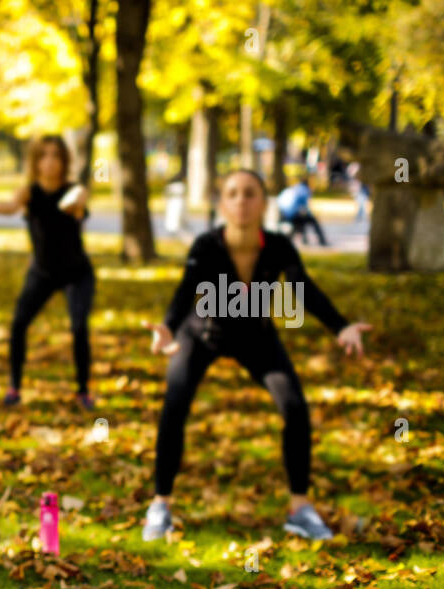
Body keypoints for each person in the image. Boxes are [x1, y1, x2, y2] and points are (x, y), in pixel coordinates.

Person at [142, 168, 372, 542]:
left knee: (295, 407)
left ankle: (299, 509)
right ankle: (160, 504)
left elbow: (304, 290)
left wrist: (340, 326)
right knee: (175, 403)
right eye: (232, 193)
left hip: (256, 337)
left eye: (250, 193)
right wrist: (168, 327)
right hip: (201, 334)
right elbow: (185, 292)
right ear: (222, 204)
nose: (241, 201)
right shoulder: (206, 246)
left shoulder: (279, 246)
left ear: (264, 203)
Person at [0, 133, 97, 410]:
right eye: (44, 155)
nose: (50, 161)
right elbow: (9, 207)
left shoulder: (75, 189)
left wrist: (75, 202)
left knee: (79, 327)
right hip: (42, 272)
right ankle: (14, 387)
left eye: (56, 155)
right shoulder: (29, 191)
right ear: (36, 160)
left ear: (64, 160)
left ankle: (83, 391)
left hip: (77, 273)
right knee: (19, 324)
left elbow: (76, 207)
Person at [277, 177, 329, 247]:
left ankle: (305, 240)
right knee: (312, 220)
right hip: (292, 215)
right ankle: (322, 241)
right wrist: (312, 215)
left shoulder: (292, 189)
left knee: (301, 219)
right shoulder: (304, 190)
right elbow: (305, 208)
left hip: (282, 215)